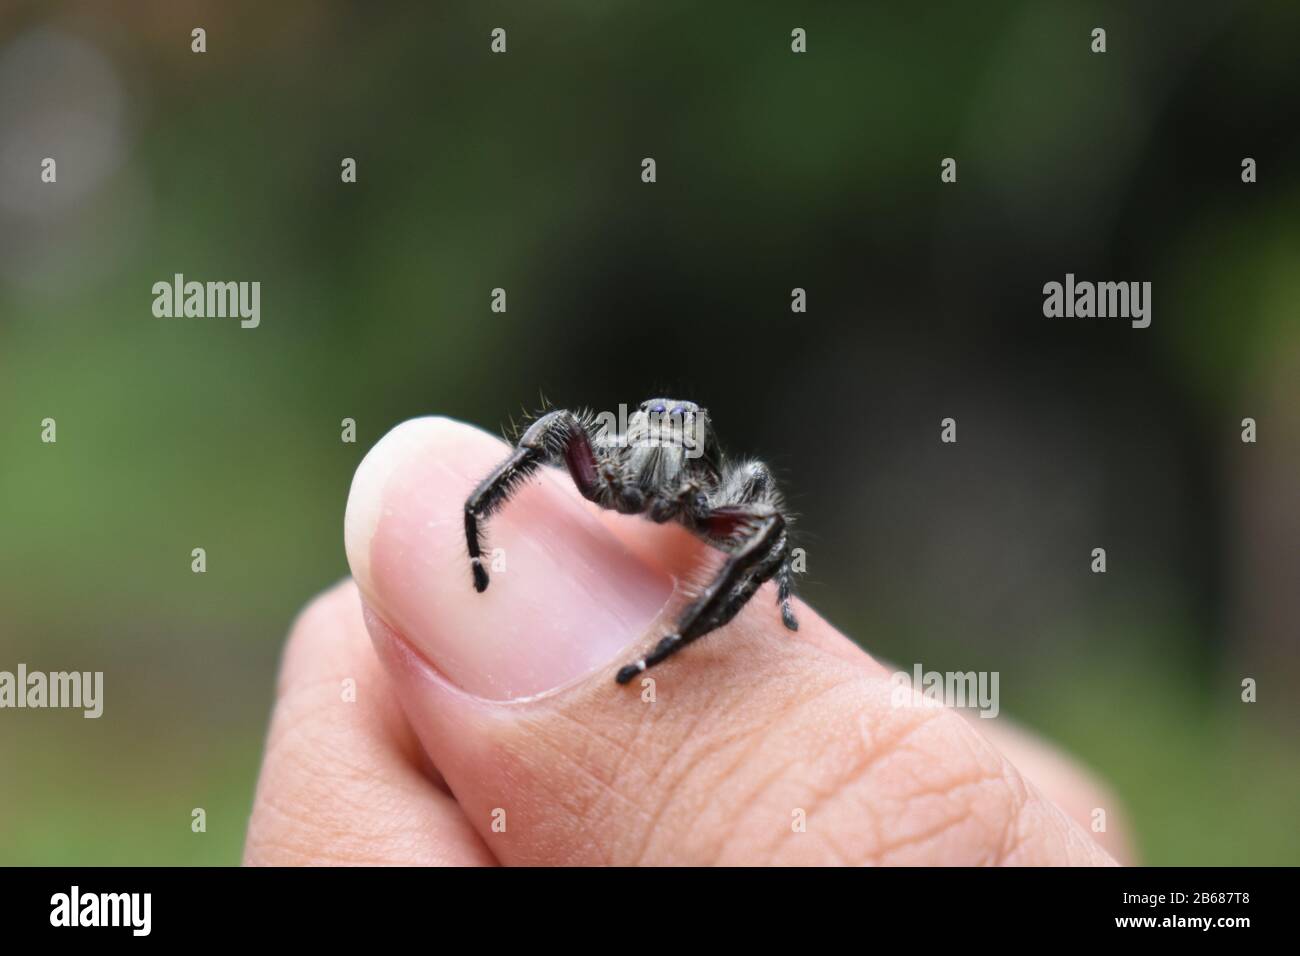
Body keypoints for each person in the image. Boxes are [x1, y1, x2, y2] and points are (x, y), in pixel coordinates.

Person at [244, 417, 1131, 866]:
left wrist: (703, 628)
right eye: (645, 461)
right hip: (603, 483)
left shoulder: (708, 496)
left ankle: (683, 640)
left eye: (678, 464)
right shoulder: (609, 459)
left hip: (698, 552)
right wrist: (478, 522)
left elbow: (764, 520)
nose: (657, 484)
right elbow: (556, 438)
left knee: (766, 519)